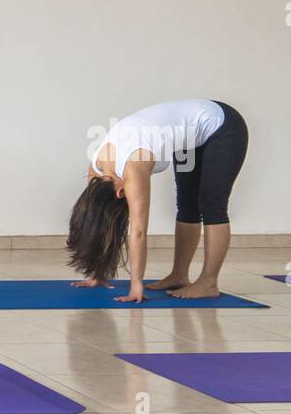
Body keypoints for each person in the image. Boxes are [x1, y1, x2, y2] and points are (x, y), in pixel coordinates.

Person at [68, 100, 248, 301]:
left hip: (222, 125)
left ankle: (209, 283)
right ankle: (179, 275)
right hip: (190, 133)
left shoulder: (133, 168)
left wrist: (137, 285)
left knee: (212, 204)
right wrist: (96, 271)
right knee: (187, 203)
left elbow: (138, 231)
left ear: (121, 193)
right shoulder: (96, 170)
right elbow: (97, 222)